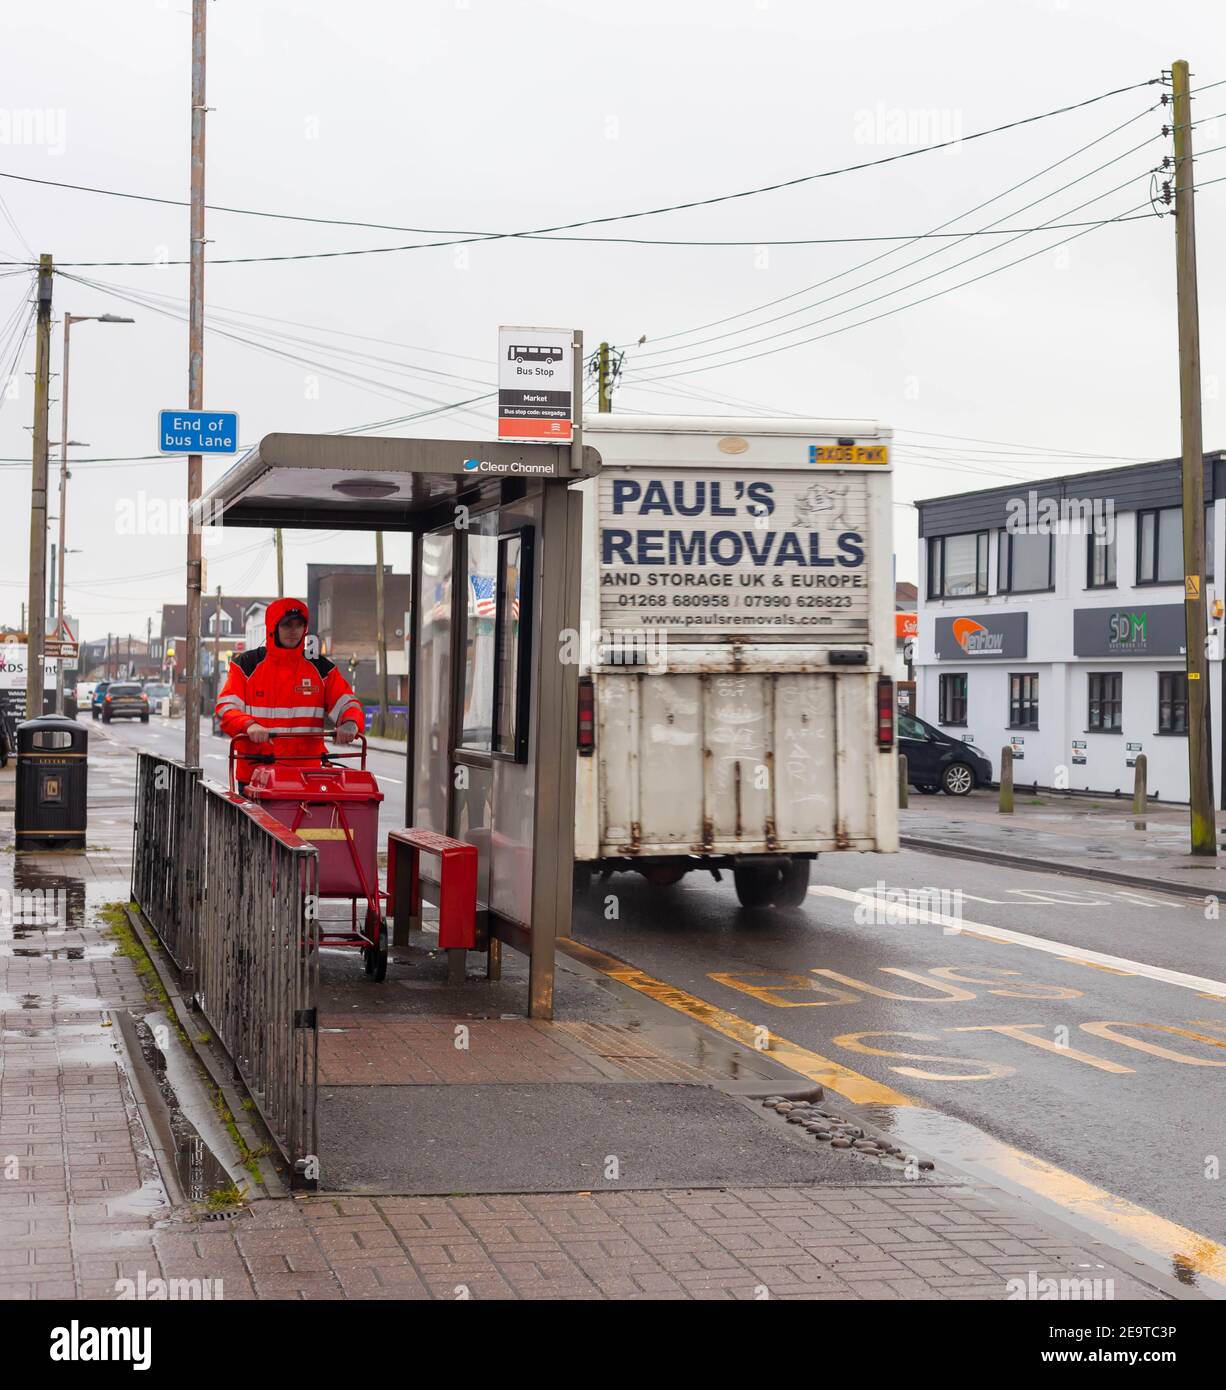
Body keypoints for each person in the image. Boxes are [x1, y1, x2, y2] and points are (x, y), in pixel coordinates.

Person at [216, 597, 365, 792]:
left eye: (299, 625)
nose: (294, 630)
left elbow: (347, 702)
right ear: (273, 627)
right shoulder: (246, 665)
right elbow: (226, 708)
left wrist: (350, 722)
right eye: (287, 625)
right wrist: (249, 725)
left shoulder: (321, 668)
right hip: (256, 773)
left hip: (306, 773)